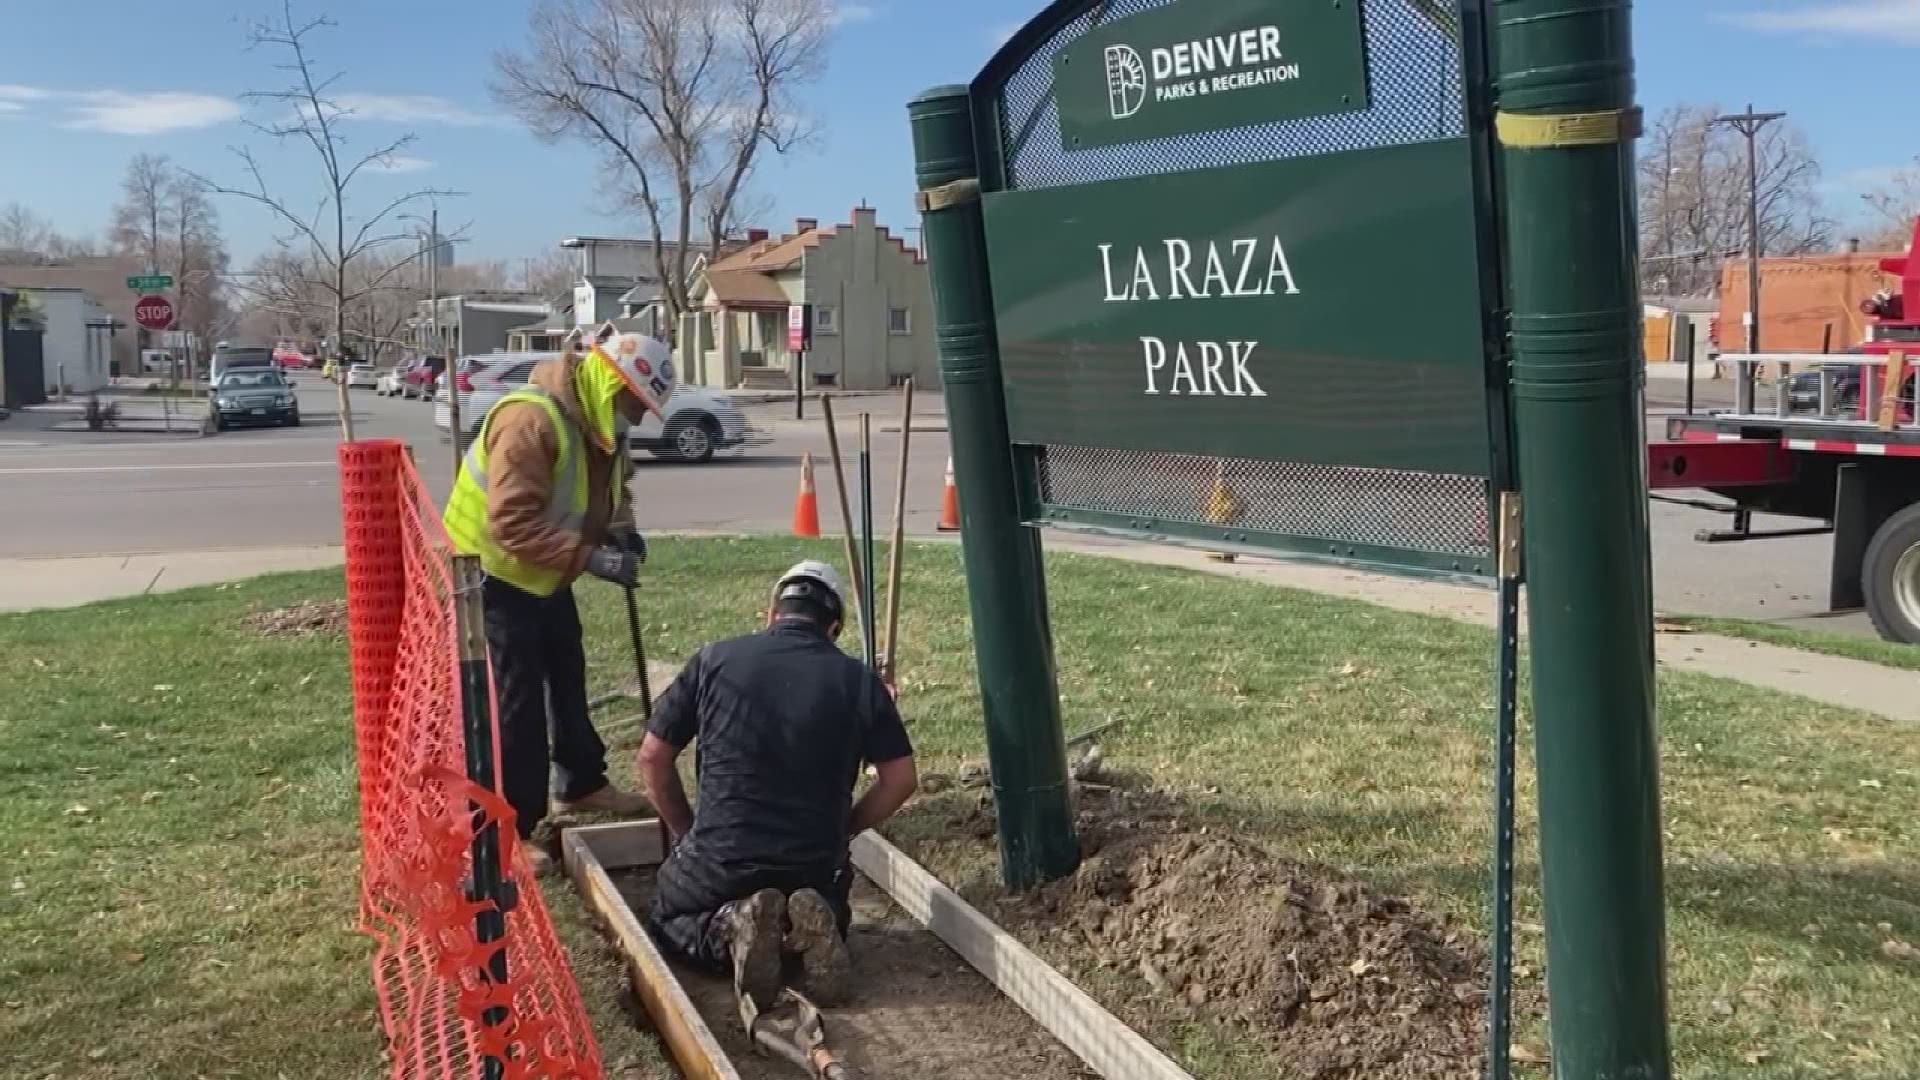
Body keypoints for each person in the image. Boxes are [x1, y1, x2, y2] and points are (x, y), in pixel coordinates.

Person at [443, 332, 680, 869]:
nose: (638, 420)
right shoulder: (530, 424)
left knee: (567, 675)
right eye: (635, 405)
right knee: (516, 708)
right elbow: (512, 523)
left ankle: (580, 783)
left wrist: (621, 532)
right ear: (609, 384)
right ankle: (506, 830)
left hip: (545, 574)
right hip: (490, 578)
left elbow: (607, 493)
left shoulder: (598, 427)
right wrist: (591, 559)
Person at [639, 561, 917, 1008]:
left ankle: (730, 928)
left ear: (772, 614)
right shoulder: (860, 681)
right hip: (812, 864)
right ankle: (801, 933)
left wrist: (686, 831)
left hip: (721, 861)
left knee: (671, 915)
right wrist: (842, 829)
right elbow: (901, 780)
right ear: (834, 628)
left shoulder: (714, 660)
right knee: (826, 906)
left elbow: (653, 757)